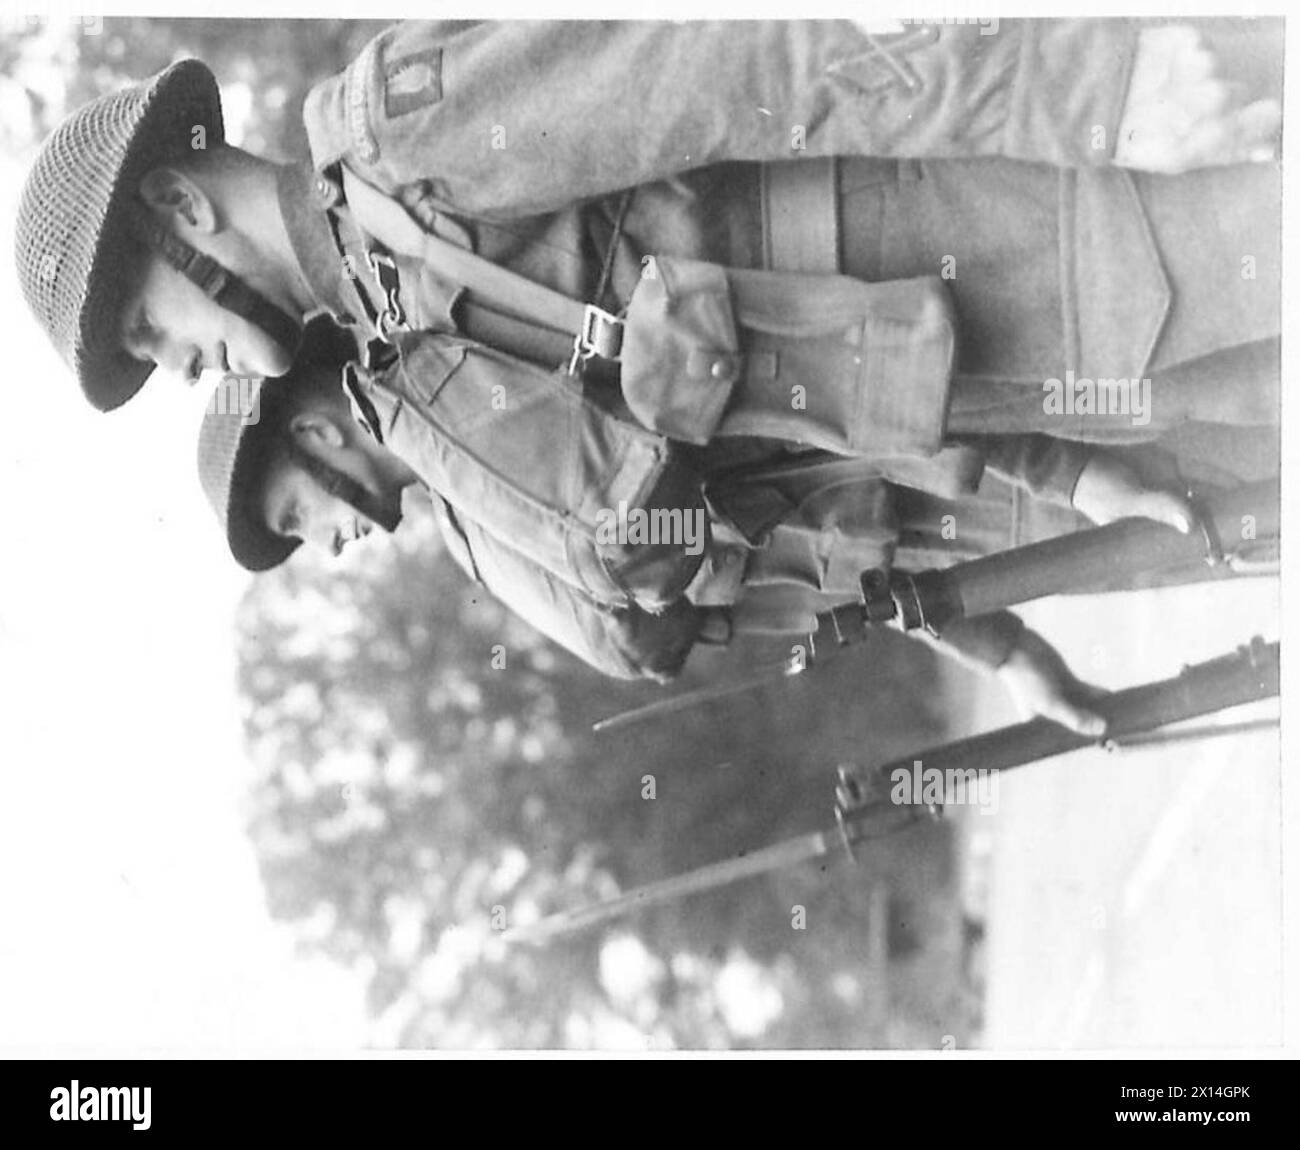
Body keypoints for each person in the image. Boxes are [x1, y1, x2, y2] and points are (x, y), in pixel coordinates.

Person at [198, 318, 1252, 735]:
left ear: (320, 429)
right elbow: (786, 562)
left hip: (995, 438)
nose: (329, 542)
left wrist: (1070, 466)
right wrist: (1010, 652)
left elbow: (801, 384)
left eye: (300, 513)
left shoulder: (483, 373)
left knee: (1237, 469)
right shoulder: (481, 525)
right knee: (1237, 531)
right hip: (951, 544)